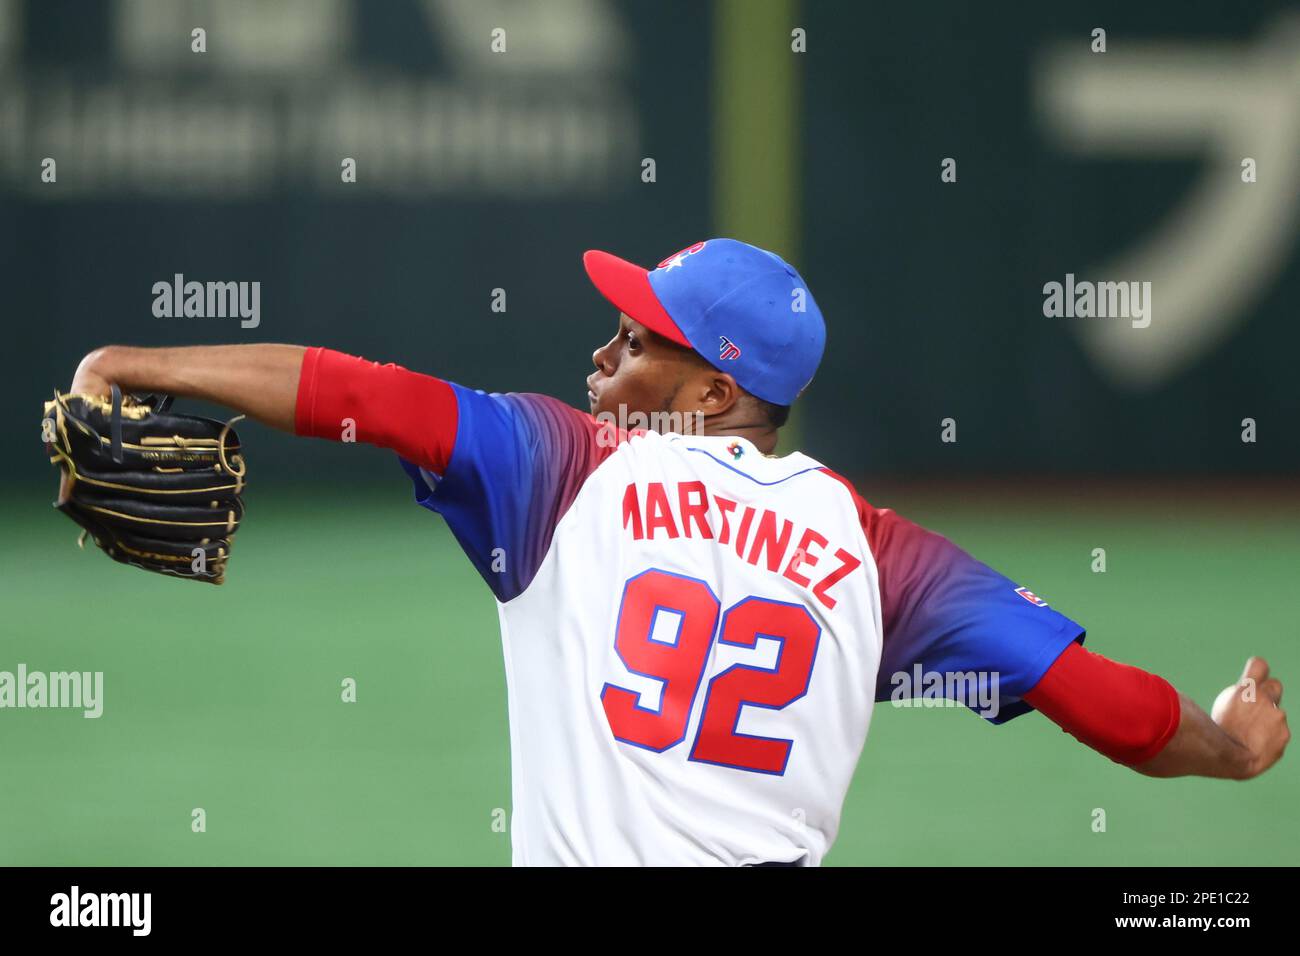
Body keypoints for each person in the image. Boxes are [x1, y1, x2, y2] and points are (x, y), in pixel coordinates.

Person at [62, 238, 1289, 865]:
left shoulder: (567, 467)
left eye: (636, 340)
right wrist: (1231, 749)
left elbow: (353, 391)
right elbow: (1115, 710)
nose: (603, 360)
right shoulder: (877, 550)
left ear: (711, 392)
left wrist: (141, 361)